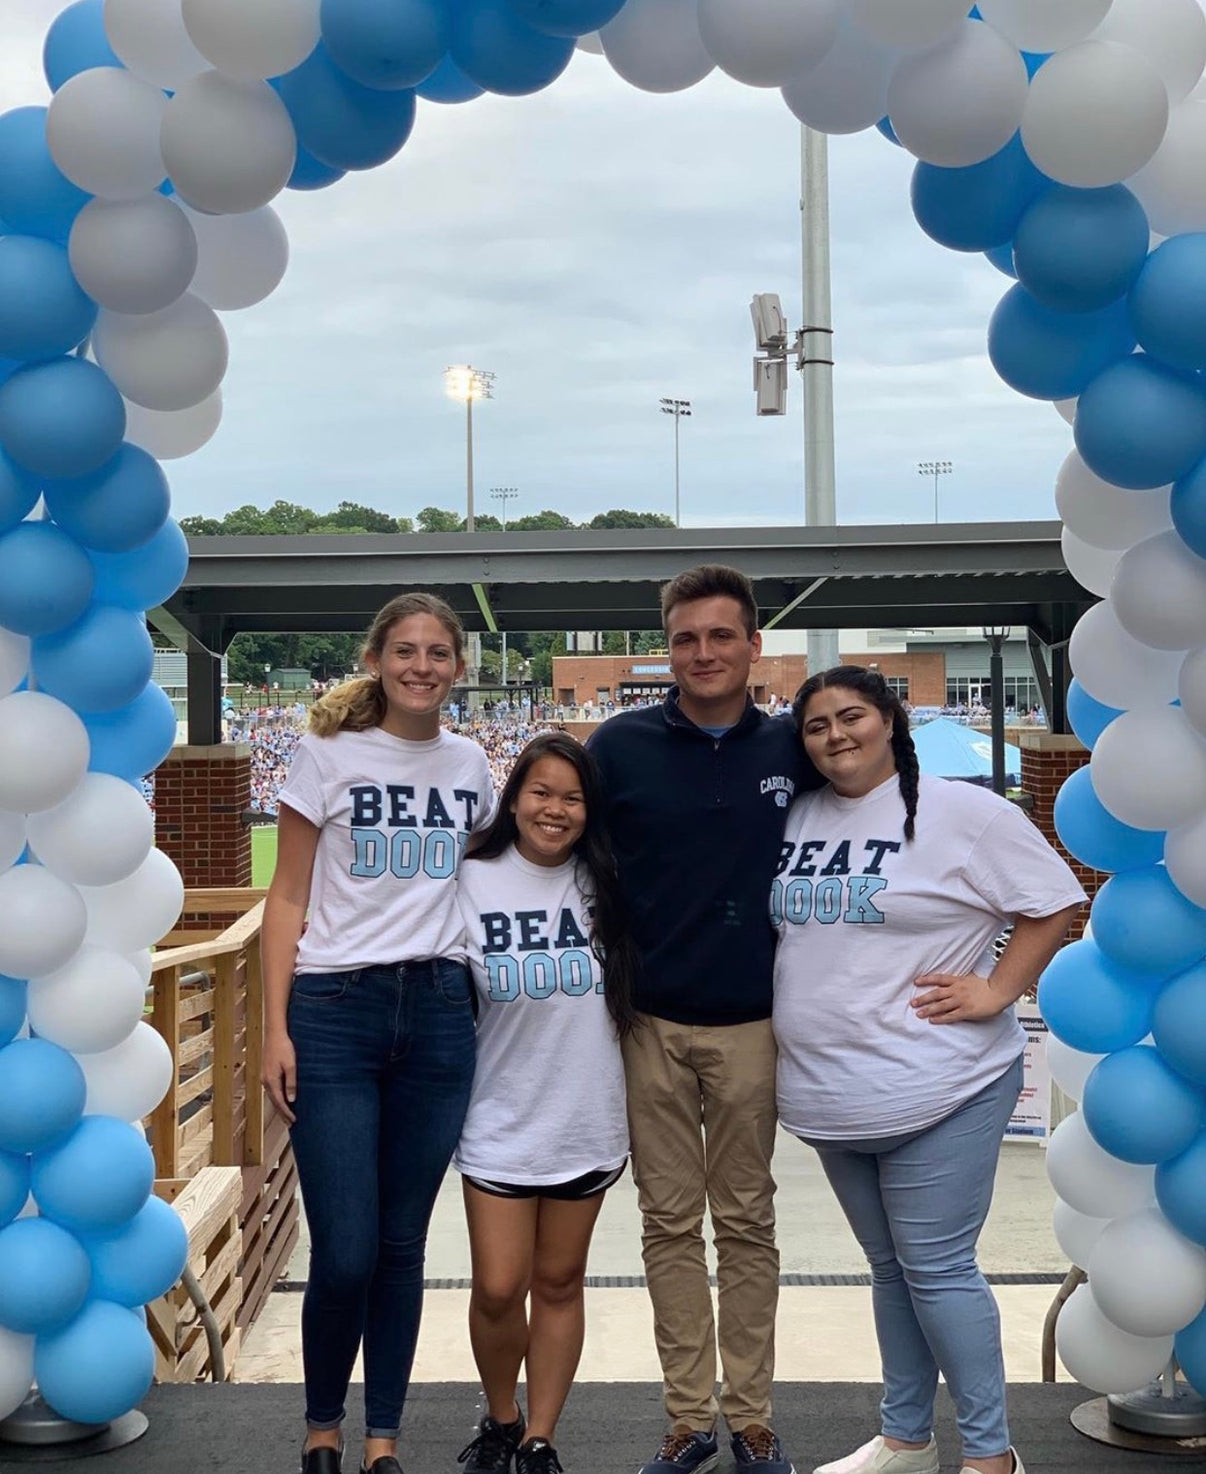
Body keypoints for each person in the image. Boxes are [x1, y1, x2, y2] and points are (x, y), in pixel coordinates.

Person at [773, 667, 1085, 1474]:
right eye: (817, 725)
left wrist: (998, 988)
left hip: (940, 1084)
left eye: (853, 717)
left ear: (890, 721)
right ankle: (905, 1439)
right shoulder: (796, 815)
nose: (837, 735)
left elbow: (1051, 901)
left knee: (938, 1269)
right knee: (891, 1273)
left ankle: (990, 1455)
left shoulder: (963, 811)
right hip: (830, 1093)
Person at [586, 565, 820, 1474]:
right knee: (668, 1225)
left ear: (754, 646)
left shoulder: (795, 746)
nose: (704, 652)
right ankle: (689, 1422)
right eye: (687, 638)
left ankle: (752, 1418)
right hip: (648, 1021)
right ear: (668, 647)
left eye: (722, 635)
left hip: (754, 1024)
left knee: (749, 1221)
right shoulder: (620, 746)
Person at [261, 592, 495, 1474]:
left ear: (459, 667)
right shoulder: (326, 752)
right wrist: (273, 1029)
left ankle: (383, 1439)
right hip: (334, 1014)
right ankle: (323, 1426)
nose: (422, 667)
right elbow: (286, 896)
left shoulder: (472, 765)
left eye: (439, 653)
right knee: (348, 1246)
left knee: (403, 1245)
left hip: (437, 1014)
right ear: (376, 658)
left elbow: (488, 880)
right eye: (405, 650)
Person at [454, 732, 638, 1474]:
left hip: (585, 1115)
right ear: (514, 799)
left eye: (572, 797)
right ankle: (502, 1417)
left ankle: (540, 1438)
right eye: (541, 793)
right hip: (497, 1115)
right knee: (499, 1286)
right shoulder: (469, 878)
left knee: (560, 1281)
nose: (555, 810)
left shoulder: (610, 885)